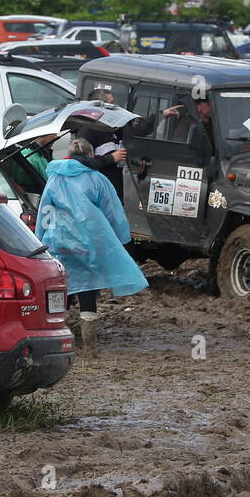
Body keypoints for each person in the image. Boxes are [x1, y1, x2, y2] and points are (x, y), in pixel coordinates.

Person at [35, 138, 147, 355]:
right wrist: (120, 238)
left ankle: (58, 341)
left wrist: (41, 238)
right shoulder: (98, 180)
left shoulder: (55, 179)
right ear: (90, 156)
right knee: (87, 287)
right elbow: (113, 211)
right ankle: (90, 346)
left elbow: (44, 211)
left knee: (60, 289)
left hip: (58, 242)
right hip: (88, 242)